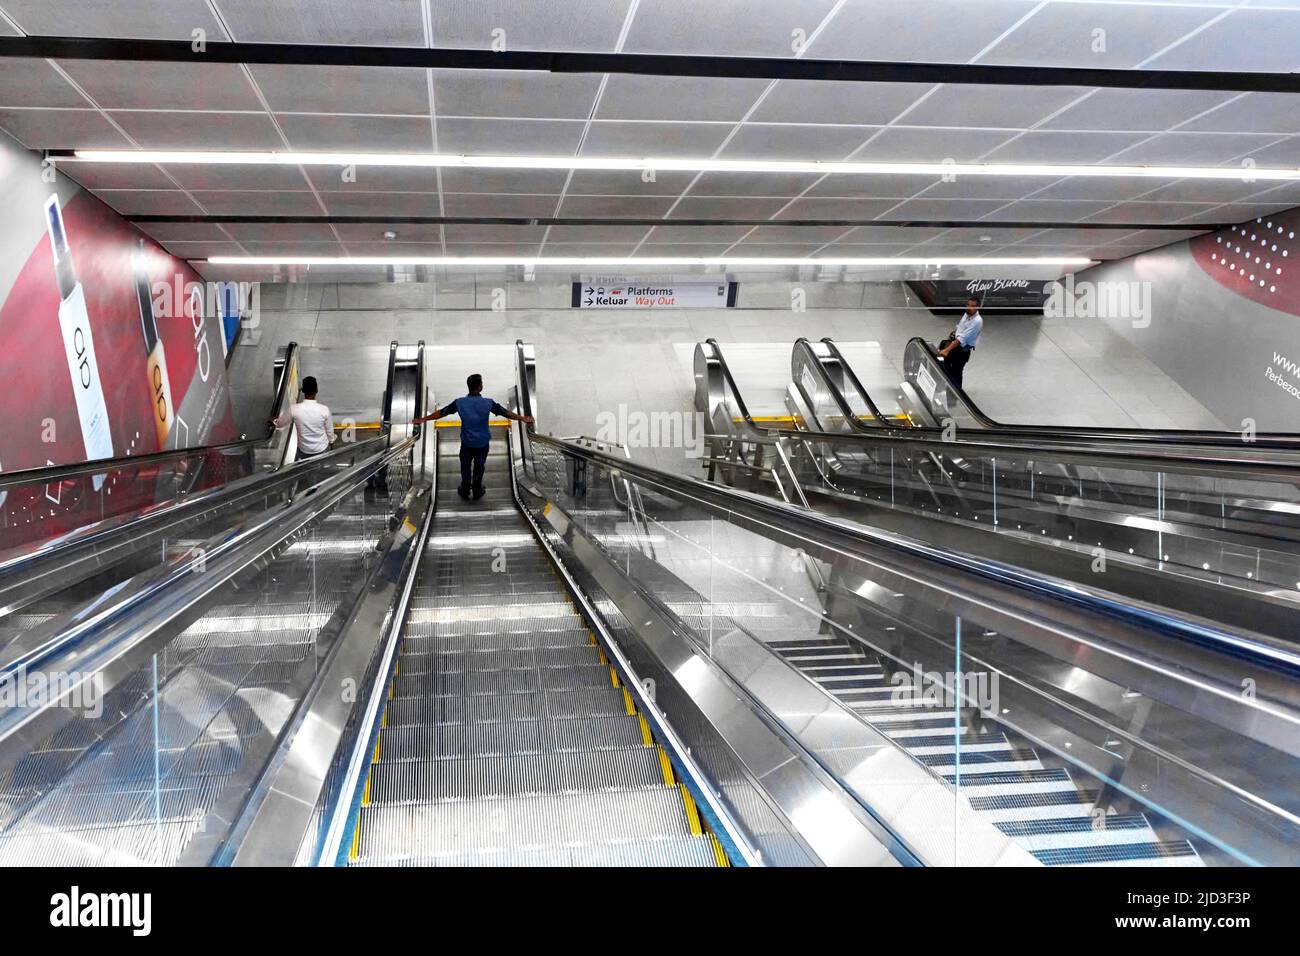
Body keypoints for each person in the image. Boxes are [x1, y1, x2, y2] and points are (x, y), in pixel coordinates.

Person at [414, 373, 534, 500]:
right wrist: (523, 418)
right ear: (480, 387)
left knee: (465, 467)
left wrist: (423, 419)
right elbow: (506, 413)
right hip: (482, 443)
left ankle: (465, 489)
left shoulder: (460, 402)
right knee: (479, 466)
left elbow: (441, 413)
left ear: (469, 387)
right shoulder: (488, 403)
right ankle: (477, 490)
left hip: (467, 443)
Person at [270, 375, 335, 461]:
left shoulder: (294, 409)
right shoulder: (324, 410)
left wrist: (273, 421)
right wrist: (331, 441)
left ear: (303, 391)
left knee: (304, 467)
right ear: (316, 391)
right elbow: (329, 431)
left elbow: (280, 424)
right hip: (321, 448)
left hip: (304, 450)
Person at [937, 296, 983, 390]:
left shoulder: (977, 321)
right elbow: (960, 326)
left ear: (977, 307)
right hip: (955, 345)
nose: (969, 307)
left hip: (962, 350)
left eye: (972, 306)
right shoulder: (967, 314)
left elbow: (962, 339)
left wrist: (946, 350)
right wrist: (953, 333)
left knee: (957, 372)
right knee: (946, 366)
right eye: (968, 305)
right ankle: (948, 387)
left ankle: (956, 393)